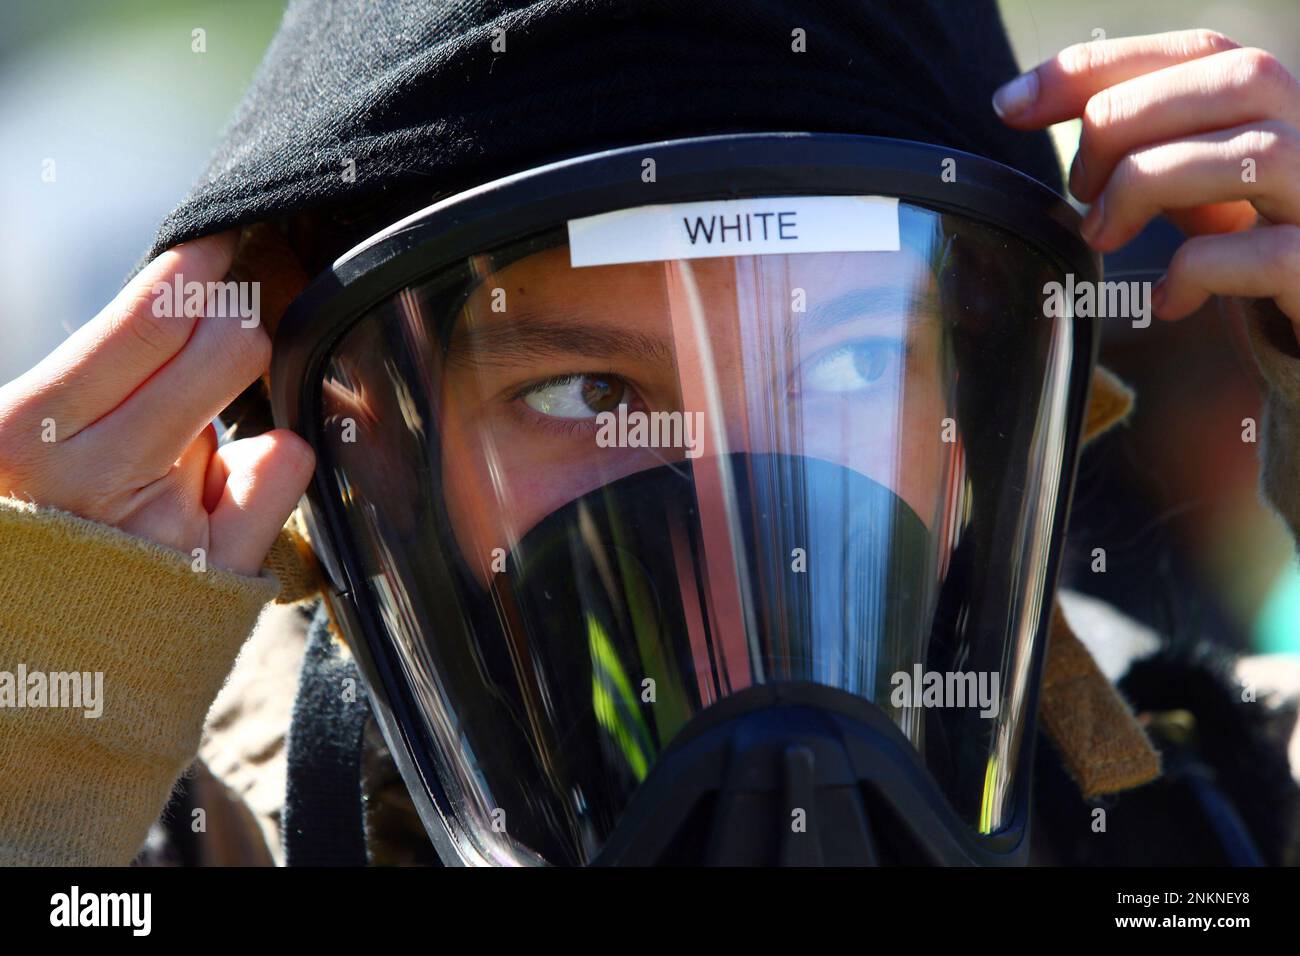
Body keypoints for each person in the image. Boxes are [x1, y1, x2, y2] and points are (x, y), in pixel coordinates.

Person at [1, 1, 1298, 866]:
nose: (738, 528)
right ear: (374, 465)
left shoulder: (1204, 816)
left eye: (842, 363)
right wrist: (41, 778)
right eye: (589, 395)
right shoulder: (172, 830)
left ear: (977, 415)